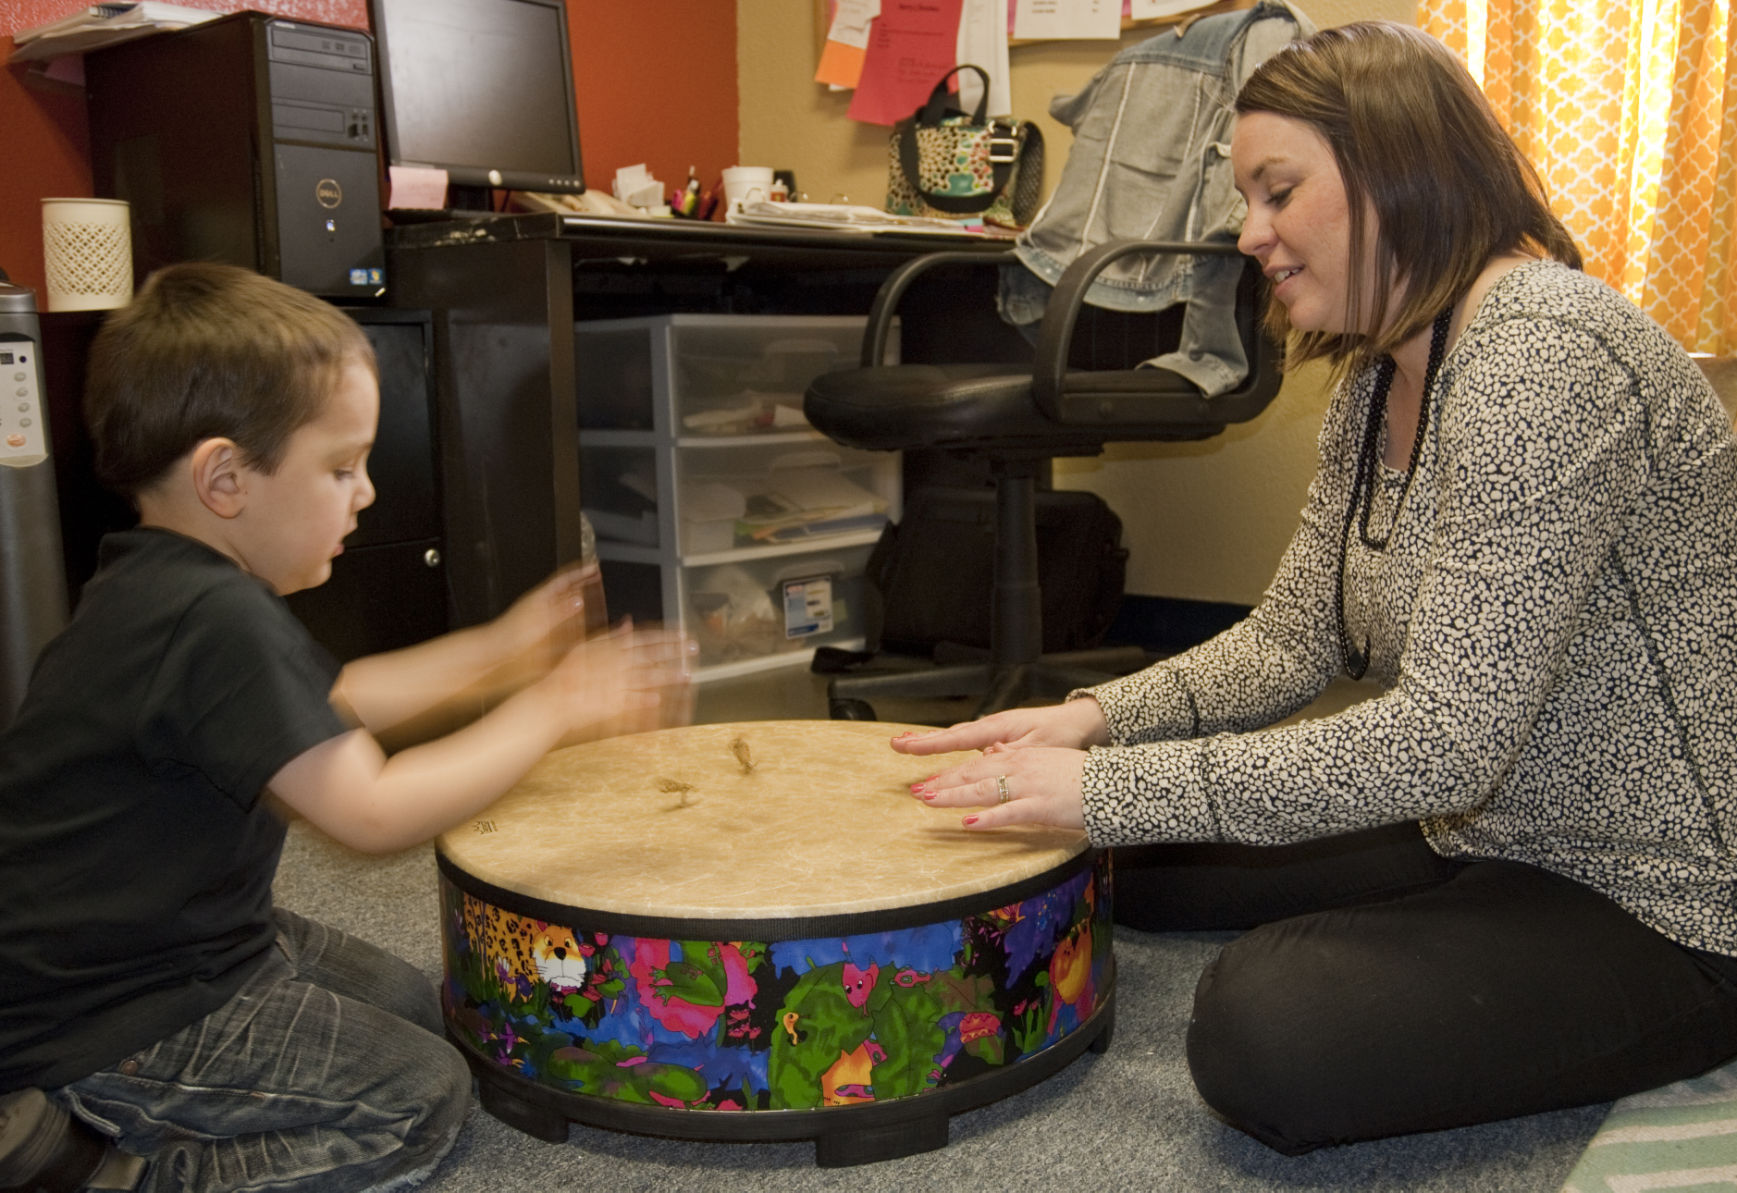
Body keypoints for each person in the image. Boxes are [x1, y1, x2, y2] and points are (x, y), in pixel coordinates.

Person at [896, 21, 1737, 1156]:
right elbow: (1292, 641)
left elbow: (1447, 739)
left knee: (1268, 1028)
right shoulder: (1387, 364)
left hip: (1667, 894)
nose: (1251, 236)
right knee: (1133, 858)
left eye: (1278, 193)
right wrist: (1092, 723)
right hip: (1488, 825)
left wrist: (1103, 791)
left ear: (1400, 167)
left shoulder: (1546, 354)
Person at [0, 262, 693, 1191]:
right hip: (119, 1011)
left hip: (188, 941)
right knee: (418, 1093)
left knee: (414, 1001)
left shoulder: (169, 584)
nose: (364, 493)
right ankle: (119, 1176)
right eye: (339, 467)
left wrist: (499, 647)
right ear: (224, 477)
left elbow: (338, 700)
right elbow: (369, 811)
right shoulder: (212, 618)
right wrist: (555, 706)